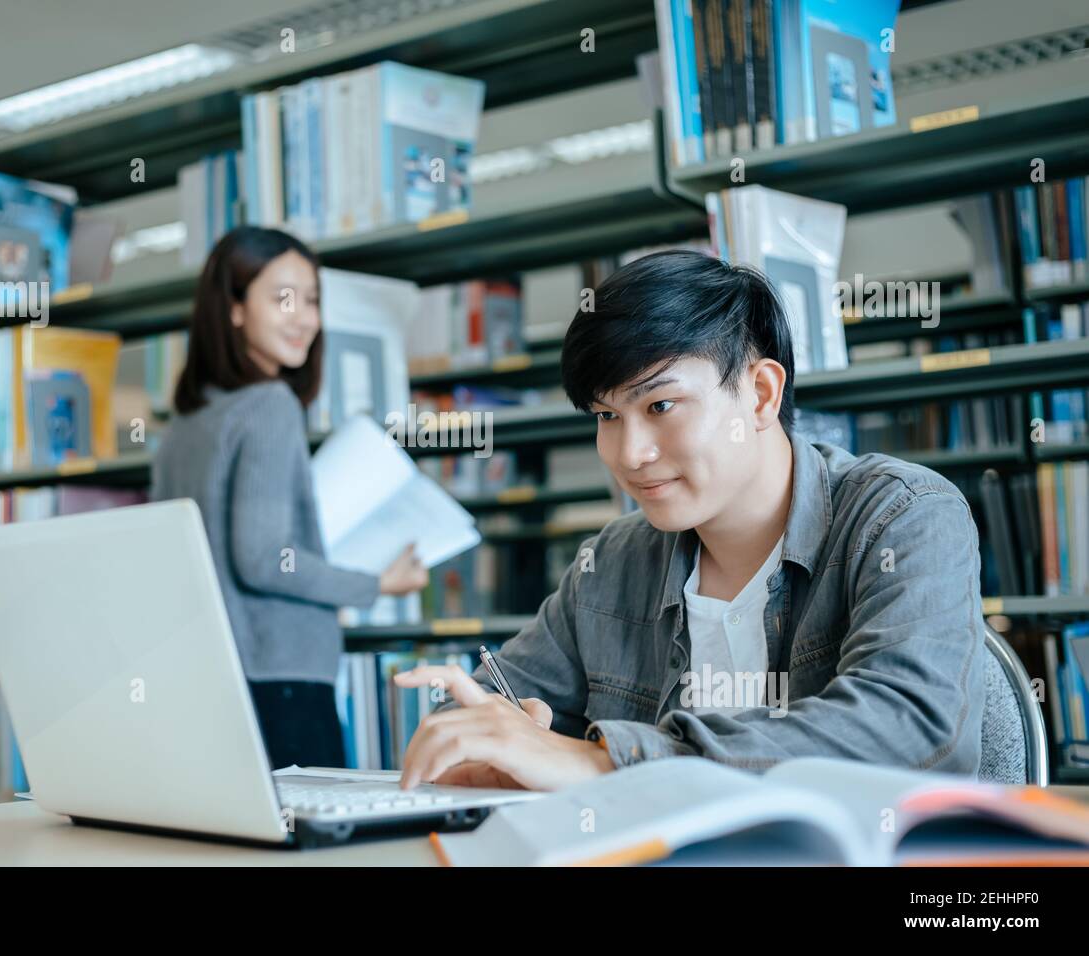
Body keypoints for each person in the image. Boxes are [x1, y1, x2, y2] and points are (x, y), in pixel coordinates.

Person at [394, 249, 986, 790]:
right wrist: (493, 745)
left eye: (660, 405)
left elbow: (916, 730)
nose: (630, 455)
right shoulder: (611, 563)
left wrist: (602, 762)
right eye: (606, 416)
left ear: (760, 394)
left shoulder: (903, 516)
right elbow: (477, 713)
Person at [152, 226, 427, 769]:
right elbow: (263, 559)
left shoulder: (183, 426)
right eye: (283, 298)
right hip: (280, 679)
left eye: (312, 300)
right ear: (234, 308)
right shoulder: (270, 406)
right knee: (316, 826)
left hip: (210, 673)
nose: (304, 318)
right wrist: (376, 584)